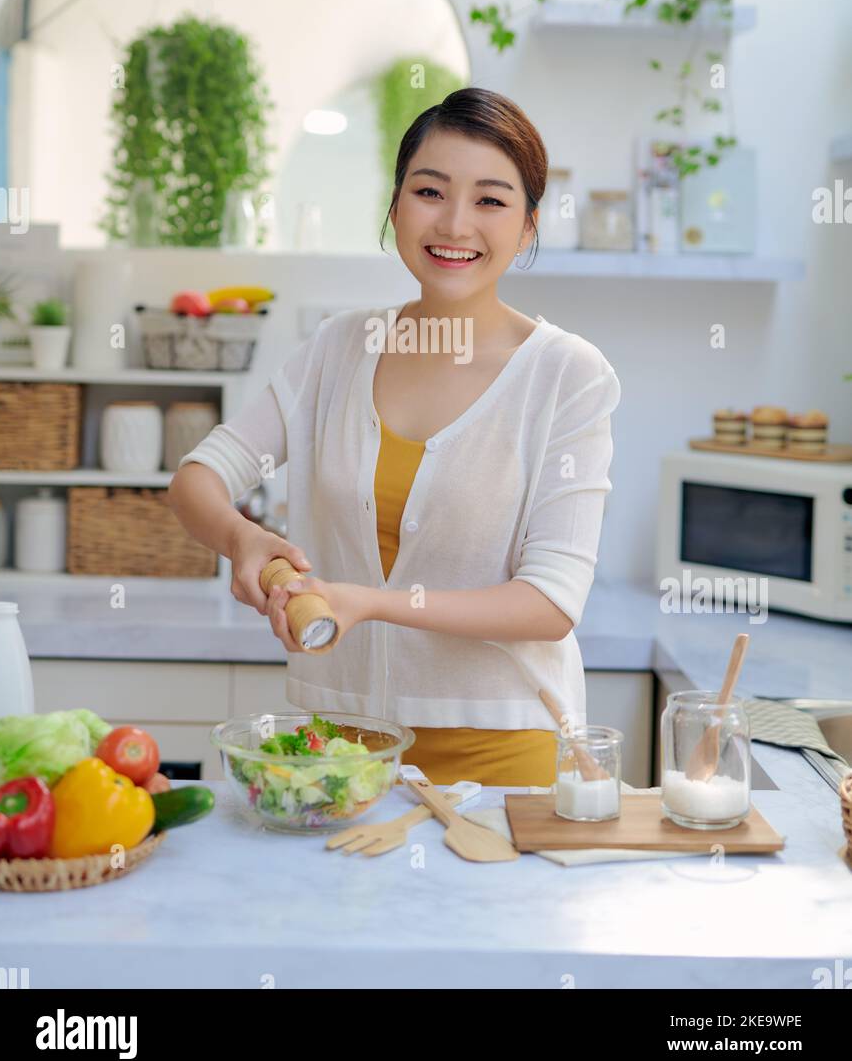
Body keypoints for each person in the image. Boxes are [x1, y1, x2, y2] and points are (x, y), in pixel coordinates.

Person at [169, 87, 621, 786]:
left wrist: (373, 604)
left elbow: (549, 604)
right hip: (340, 751)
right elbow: (200, 476)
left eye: (491, 200)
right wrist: (242, 539)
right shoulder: (339, 349)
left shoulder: (566, 375)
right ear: (395, 206)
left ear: (528, 227)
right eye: (430, 191)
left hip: (501, 756)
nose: (455, 222)